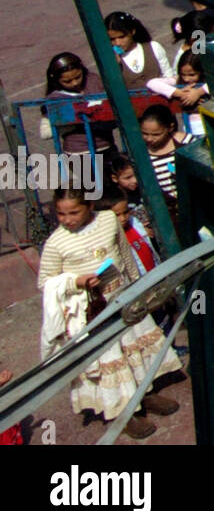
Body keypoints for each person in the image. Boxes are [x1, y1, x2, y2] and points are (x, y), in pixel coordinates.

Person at [37, 187, 183, 440]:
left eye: (73, 212)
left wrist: (139, 287)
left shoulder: (107, 220)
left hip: (123, 297)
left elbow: (125, 252)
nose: (67, 219)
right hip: (93, 312)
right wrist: (77, 282)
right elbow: (45, 282)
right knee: (110, 360)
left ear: (89, 207)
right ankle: (123, 414)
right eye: (61, 214)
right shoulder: (55, 244)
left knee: (133, 349)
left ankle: (145, 393)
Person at [44, 51, 117, 159]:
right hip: (78, 153)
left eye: (78, 77)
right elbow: (46, 131)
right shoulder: (55, 98)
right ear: (56, 80)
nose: (75, 83)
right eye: (67, 81)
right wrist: (75, 123)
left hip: (106, 145)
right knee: (90, 176)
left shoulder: (93, 80)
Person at [104, 11, 174, 92]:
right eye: (112, 39)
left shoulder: (153, 47)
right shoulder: (111, 58)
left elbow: (168, 76)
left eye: (122, 37)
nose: (117, 43)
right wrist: (114, 68)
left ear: (132, 31)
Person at [99, 184, 158, 274]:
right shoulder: (109, 238)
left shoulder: (134, 223)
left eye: (126, 212)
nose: (123, 218)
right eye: (117, 215)